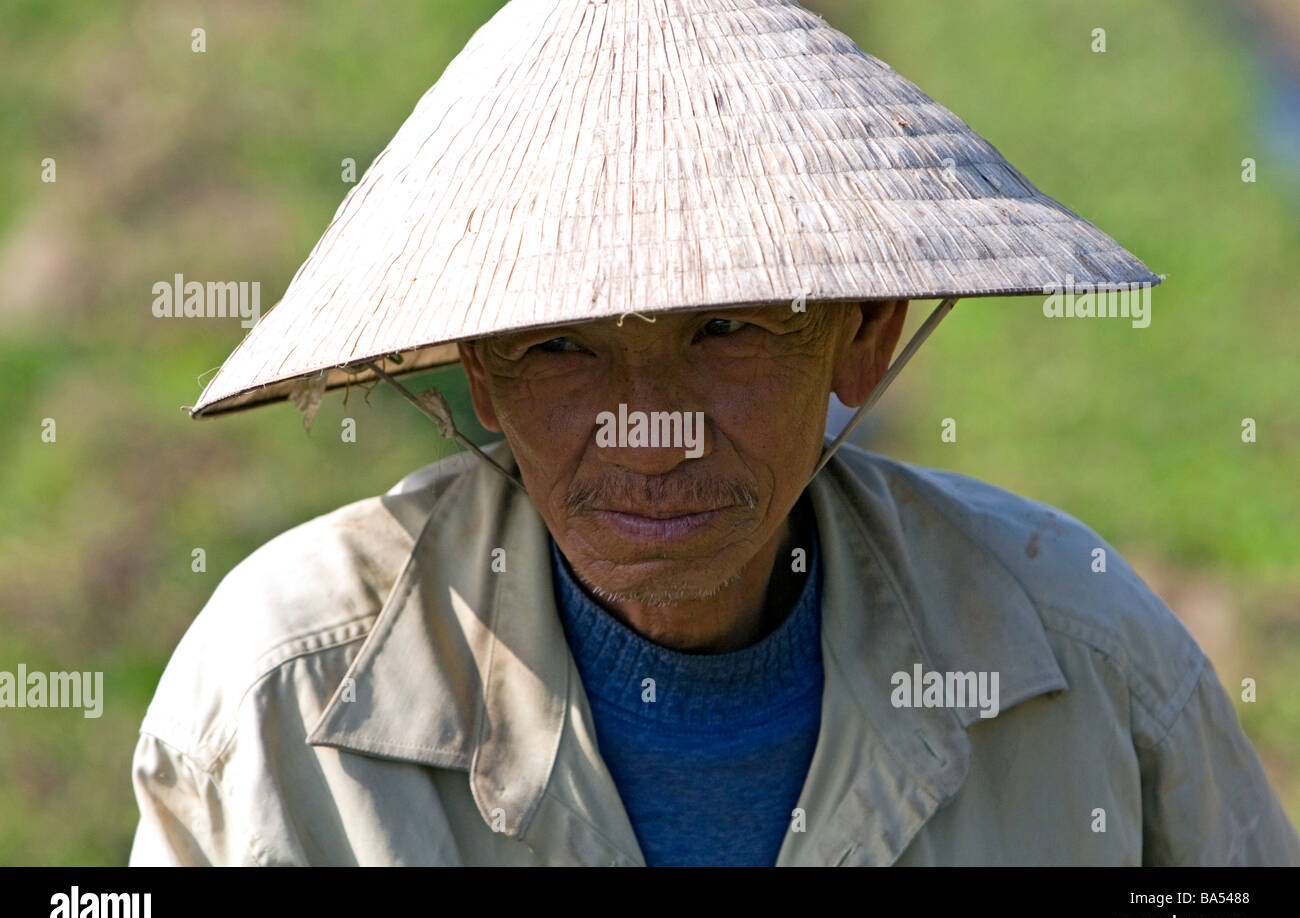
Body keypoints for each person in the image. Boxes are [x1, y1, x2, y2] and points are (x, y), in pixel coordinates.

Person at [129, 0, 1300, 865]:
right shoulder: (279, 700)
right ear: (479, 373)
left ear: (864, 339)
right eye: (559, 347)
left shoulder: (1083, 657)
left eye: (726, 328)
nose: (646, 432)